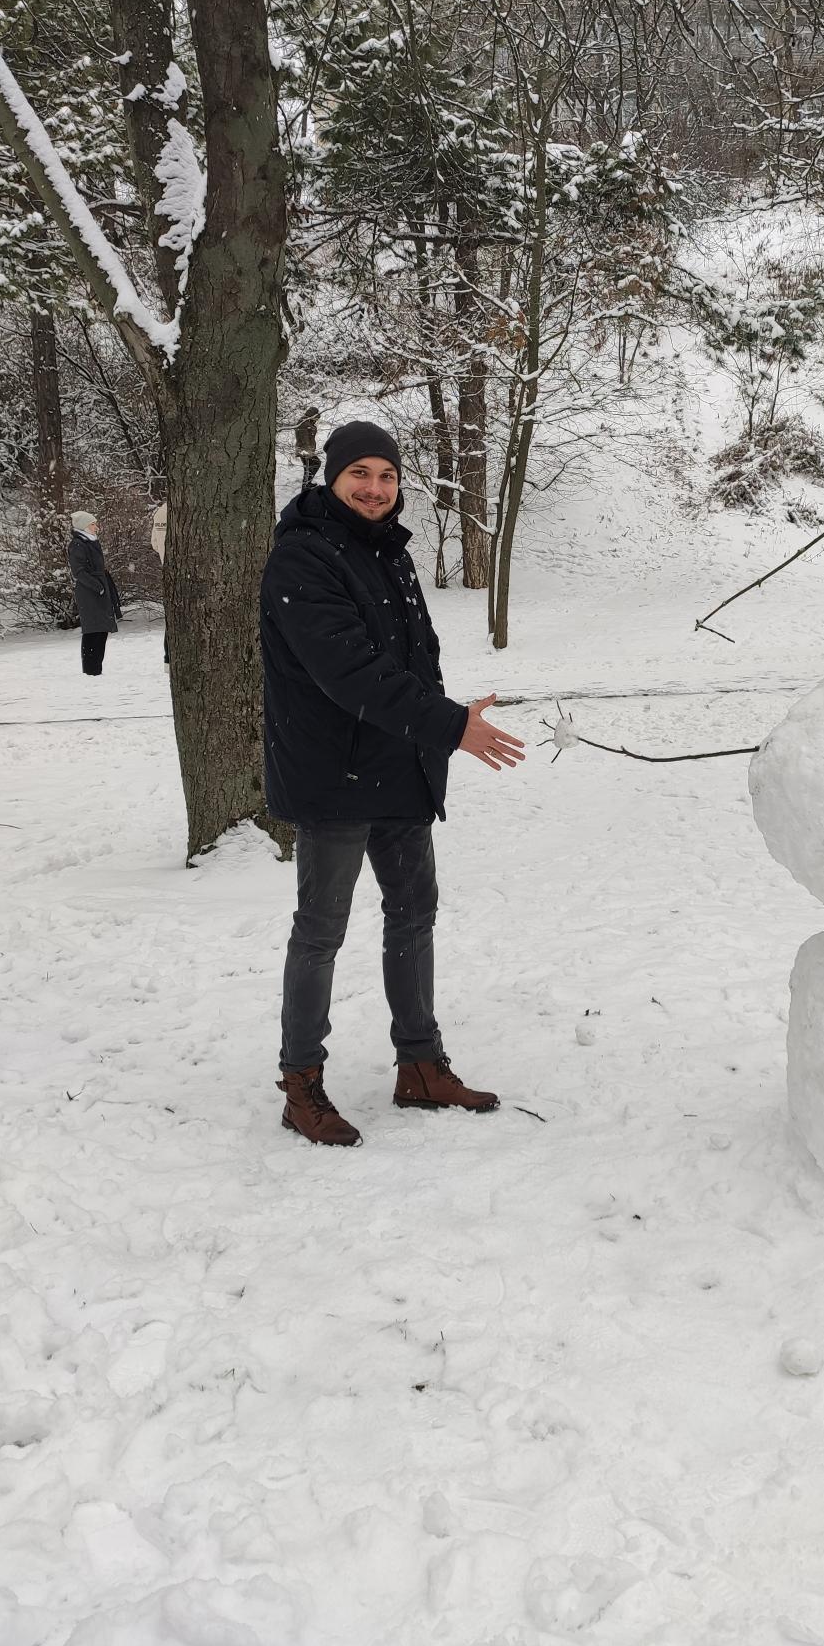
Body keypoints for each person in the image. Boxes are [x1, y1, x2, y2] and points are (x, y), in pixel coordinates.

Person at [260, 420, 526, 1146]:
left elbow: (411, 662)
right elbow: (347, 672)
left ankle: (421, 1065)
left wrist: (440, 720)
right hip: (333, 773)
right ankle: (300, 1084)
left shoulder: (390, 553)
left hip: (400, 763)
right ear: (333, 479)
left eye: (387, 476)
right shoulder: (303, 559)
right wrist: (448, 726)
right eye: (361, 475)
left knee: (414, 915)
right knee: (321, 932)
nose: (375, 489)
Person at [67, 509, 121, 675]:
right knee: (93, 630)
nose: (97, 527)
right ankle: (91, 670)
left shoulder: (90, 542)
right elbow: (79, 572)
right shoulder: (78, 545)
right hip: (90, 593)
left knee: (101, 630)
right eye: (93, 524)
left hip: (98, 590)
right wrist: (98, 586)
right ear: (84, 526)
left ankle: (95, 669)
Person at [150, 500, 168, 663]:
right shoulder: (183, 509)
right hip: (185, 568)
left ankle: (168, 657)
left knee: (170, 616)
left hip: (166, 567)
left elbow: (154, 543)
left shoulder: (159, 513)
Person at [295, 406, 321, 487]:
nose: (316, 420)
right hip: (304, 450)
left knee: (311, 466)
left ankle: (307, 483)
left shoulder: (307, 422)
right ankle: (305, 486)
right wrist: (308, 453)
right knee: (309, 468)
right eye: (316, 418)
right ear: (313, 415)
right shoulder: (303, 423)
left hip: (307, 450)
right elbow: (304, 439)